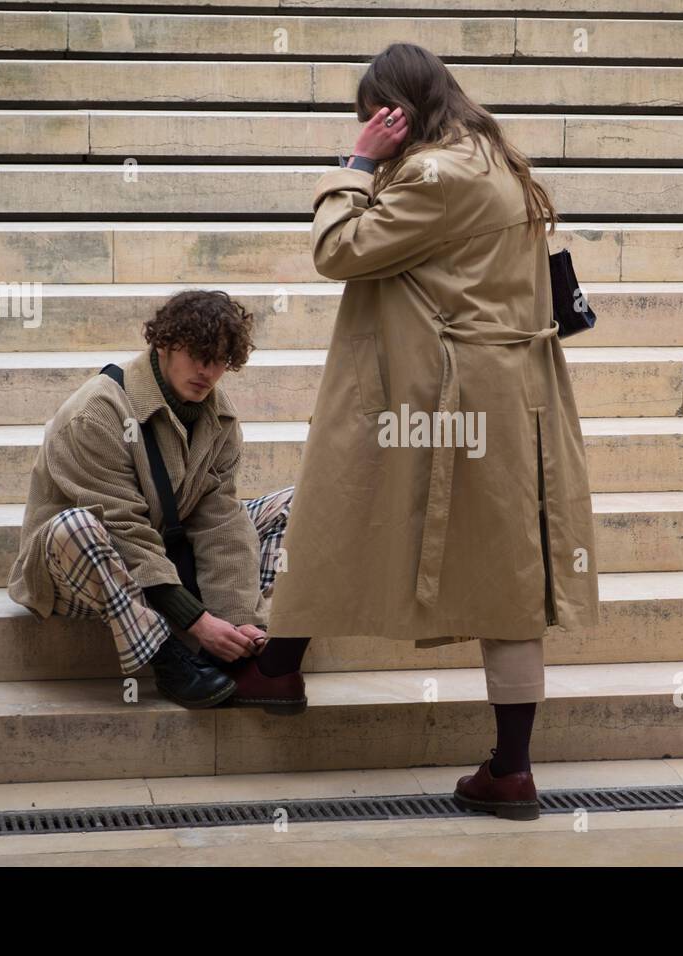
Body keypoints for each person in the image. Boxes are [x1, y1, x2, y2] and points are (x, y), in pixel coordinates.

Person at [251, 43, 602, 820]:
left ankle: (279, 665)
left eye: (374, 117)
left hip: (447, 397)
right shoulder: (497, 157)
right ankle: (508, 769)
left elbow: (337, 250)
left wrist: (355, 160)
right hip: (508, 396)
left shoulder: (435, 175)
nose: (371, 130)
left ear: (394, 113)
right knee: (507, 575)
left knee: (342, 503)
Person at [6, 289, 297, 710]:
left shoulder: (218, 414)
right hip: (86, 571)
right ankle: (167, 658)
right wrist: (197, 624)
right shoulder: (96, 412)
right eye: (198, 354)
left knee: (298, 506)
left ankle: (232, 651)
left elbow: (220, 520)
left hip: (168, 553)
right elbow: (124, 533)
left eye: (219, 361)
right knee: (78, 527)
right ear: (163, 343)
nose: (208, 371)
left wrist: (236, 619)